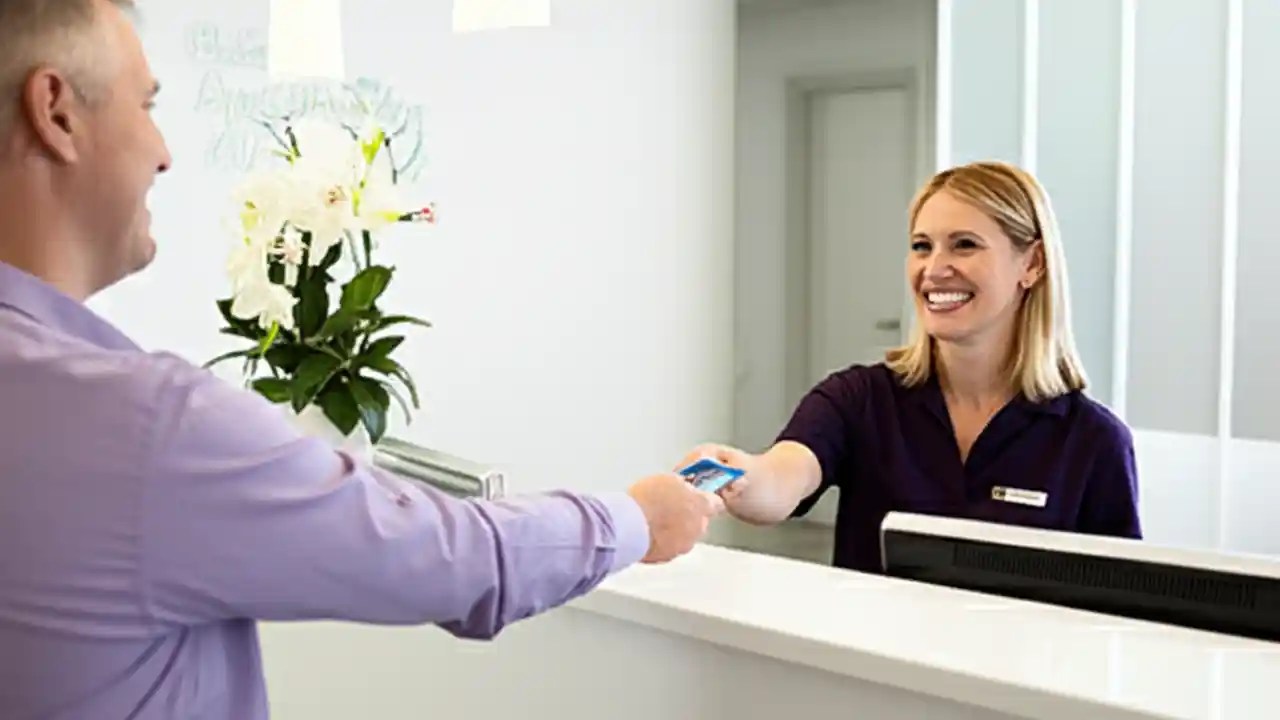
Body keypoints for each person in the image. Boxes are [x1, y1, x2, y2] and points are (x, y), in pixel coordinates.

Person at [0, 2, 722, 718]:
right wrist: (636, 519)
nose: (163, 151)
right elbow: (455, 558)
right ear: (56, 112)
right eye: (147, 104)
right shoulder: (143, 425)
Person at [681, 160, 1141, 574]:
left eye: (964, 245)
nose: (935, 268)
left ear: (1033, 263)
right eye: (922, 246)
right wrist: (728, 474)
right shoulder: (857, 400)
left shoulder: (1094, 441)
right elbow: (782, 479)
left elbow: (1120, 608)